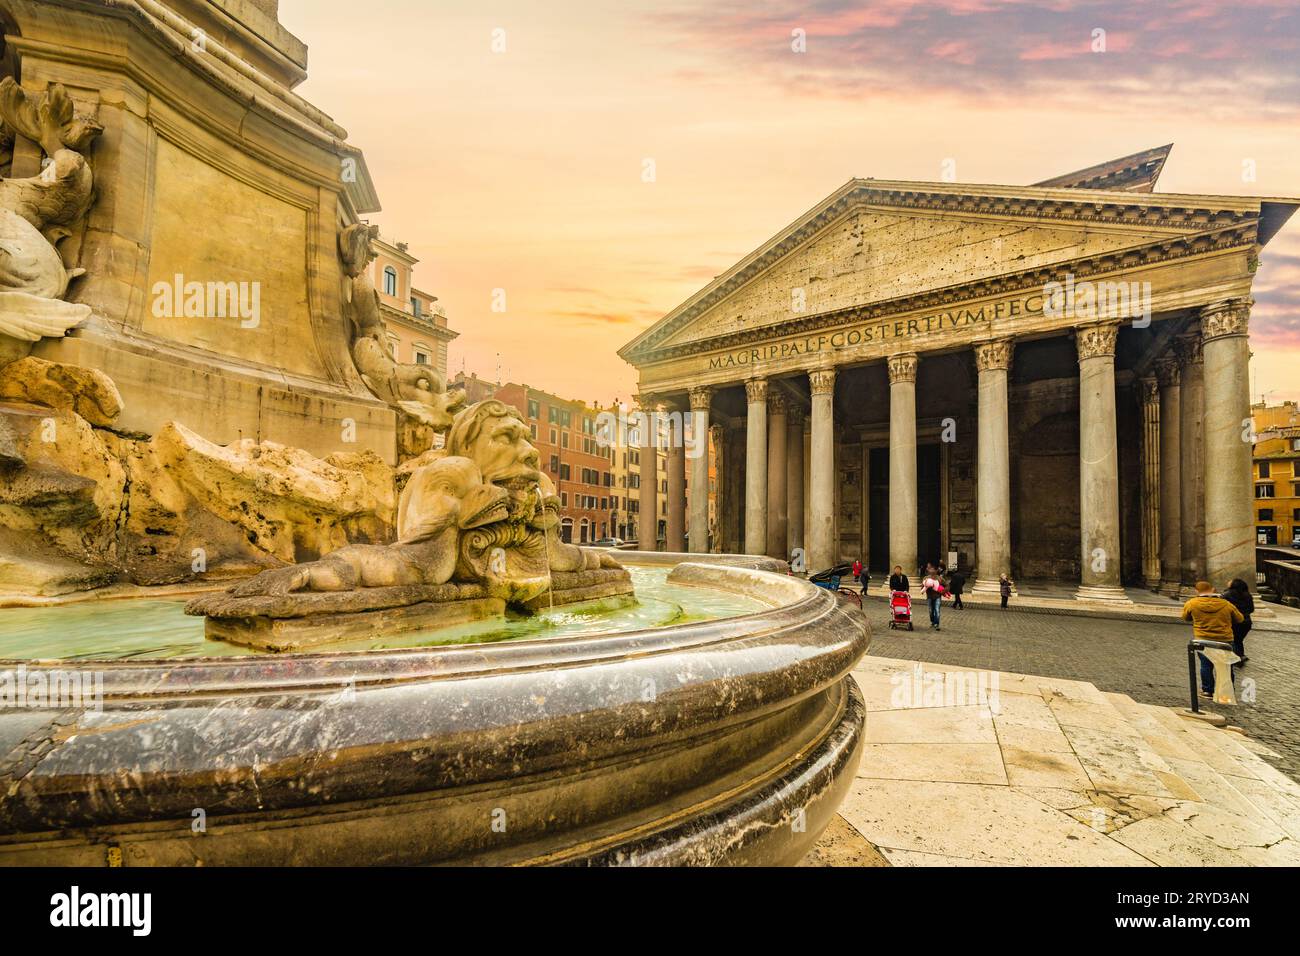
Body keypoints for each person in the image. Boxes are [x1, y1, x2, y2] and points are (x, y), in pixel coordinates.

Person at [1181, 580, 1244, 699]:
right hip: (1225, 639)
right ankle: (1225, 692)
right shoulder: (1226, 604)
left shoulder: (1192, 603)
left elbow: (1185, 617)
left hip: (1203, 638)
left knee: (1206, 665)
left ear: (1197, 591)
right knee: (1225, 666)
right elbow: (1240, 619)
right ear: (1212, 589)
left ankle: (1207, 691)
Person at [1221, 577, 1254, 669]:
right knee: (1238, 640)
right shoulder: (1248, 595)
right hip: (1246, 622)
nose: (1228, 582)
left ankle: (1237, 658)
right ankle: (1241, 655)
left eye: (1230, 582)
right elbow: (1252, 609)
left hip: (1233, 621)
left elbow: (1222, 607)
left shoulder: (1226, 594)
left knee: (1234, 640)